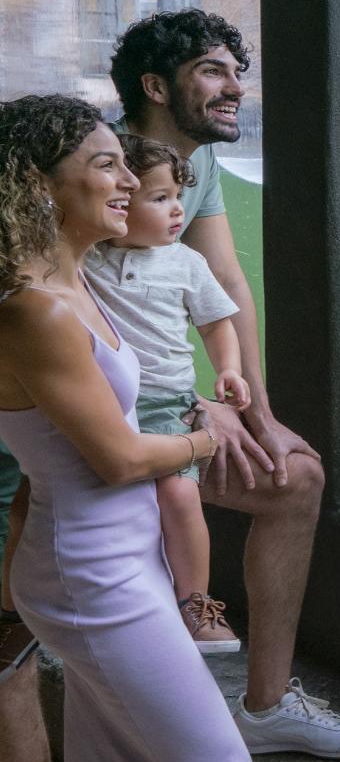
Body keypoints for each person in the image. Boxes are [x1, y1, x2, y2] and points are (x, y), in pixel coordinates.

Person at [103, 8, 340, 756]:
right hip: (69, 424)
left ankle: (265, 706)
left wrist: (257, 413)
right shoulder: (101, 164)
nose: (235, 88)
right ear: (156, 86)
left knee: (296, 478)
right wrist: (196, 409)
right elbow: (67, 303)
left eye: (237, 72)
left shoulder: (196, 169)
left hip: (152, 417)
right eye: (213, 72)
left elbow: (221, 281)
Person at [0, 93, 250, 760]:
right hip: (93, 575)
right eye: (108, 165)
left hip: (116, 558)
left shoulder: (73, 287)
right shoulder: (36, 312)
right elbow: (118, 459)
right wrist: (207, 437)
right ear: (38, 184)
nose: (132, 183)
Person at [83, 132, 251, 654]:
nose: (178, 210)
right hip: (103, 402)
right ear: (119, 202)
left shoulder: (185, 263)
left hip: (165, 403)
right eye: (160, 199)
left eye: (179, 196)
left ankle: (195, 603)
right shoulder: (86, 258)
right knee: (121, 505)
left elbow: (218, 321)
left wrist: (229, 370)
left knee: (179, 496)